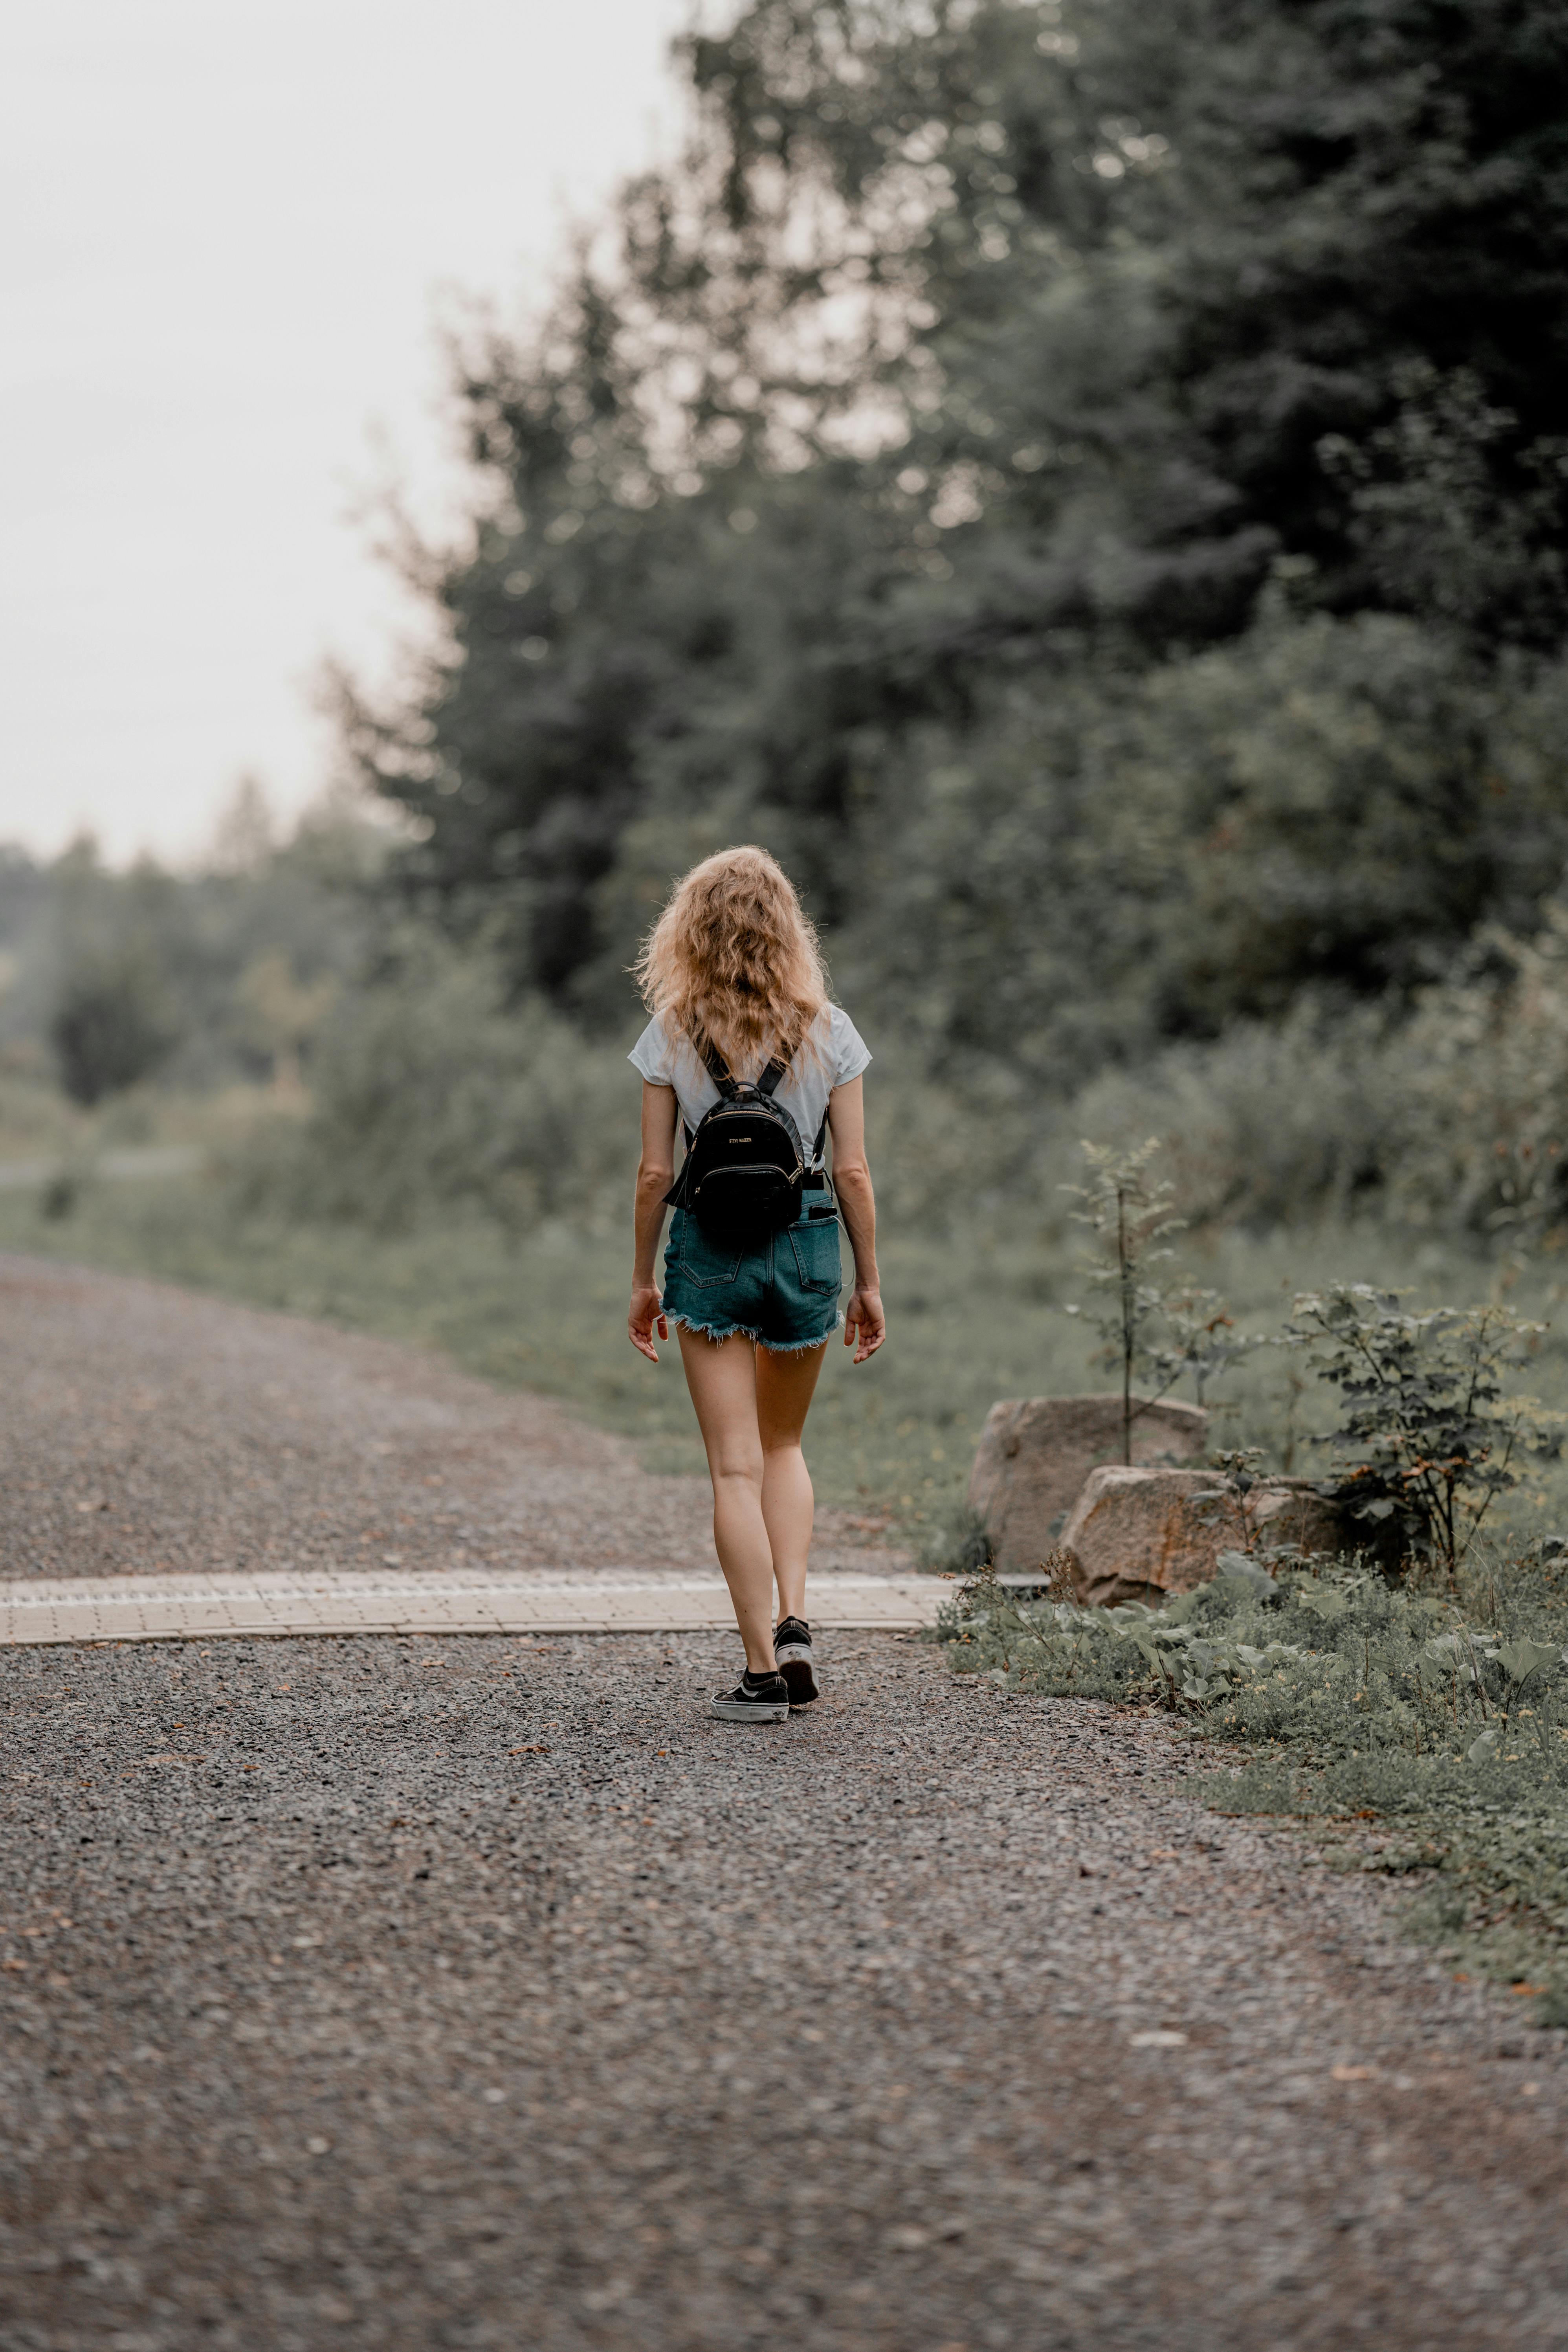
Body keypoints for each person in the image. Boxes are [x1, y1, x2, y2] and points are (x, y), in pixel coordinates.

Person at [627, 846, 886, 1723]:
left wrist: (639, 1280)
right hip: (808, 1245)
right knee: (784, 1448)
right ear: (787, 926)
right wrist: (869, 1284)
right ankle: (795, 1622)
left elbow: (653, 1174)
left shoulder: (672, 1029)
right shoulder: (830, 1027)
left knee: (733, 1467)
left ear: (689, 929)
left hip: (707, 1249)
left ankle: (756, 1671)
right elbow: (851, 1171)